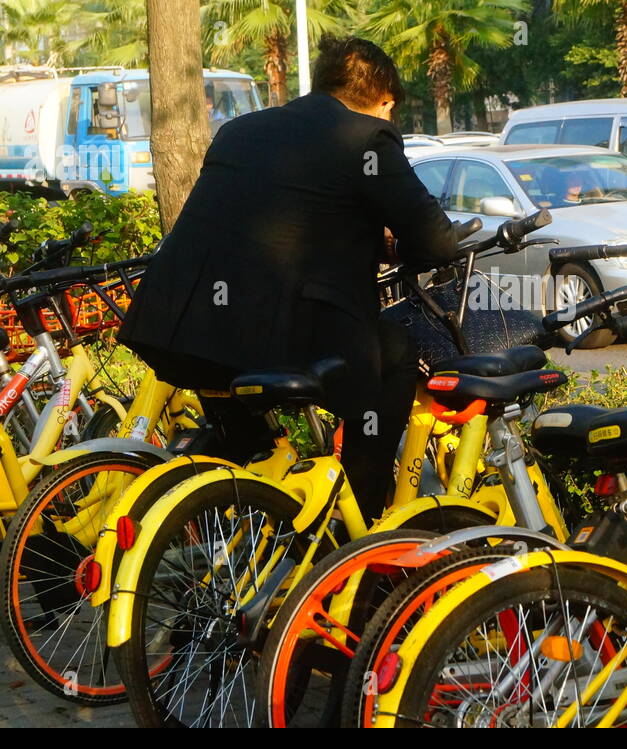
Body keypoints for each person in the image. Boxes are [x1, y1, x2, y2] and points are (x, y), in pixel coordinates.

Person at [119, 35, 457, 521]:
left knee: (248, 436)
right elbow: (437, 242)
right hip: (274, 336)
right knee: (397, 354)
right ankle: (358, 528)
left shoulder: (240, 129)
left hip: (178, 328)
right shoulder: (367, 138)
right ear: (384, 102)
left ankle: (247, 509)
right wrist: (395, 248)